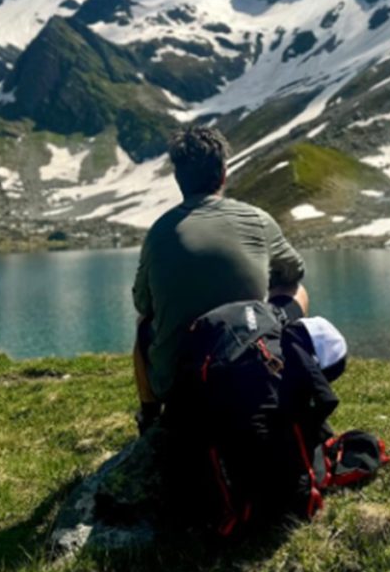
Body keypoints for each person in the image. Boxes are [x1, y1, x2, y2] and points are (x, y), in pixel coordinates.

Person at [132, 125, 308, 430]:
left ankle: (150, 416)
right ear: (224, 174)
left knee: (142, 326)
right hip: (251, 371)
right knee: (295, 289)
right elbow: (294, 272)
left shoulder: (159, 232)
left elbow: (142, 303)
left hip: (181, 387)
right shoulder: (256, 218)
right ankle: (281, 366)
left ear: (178, 179)